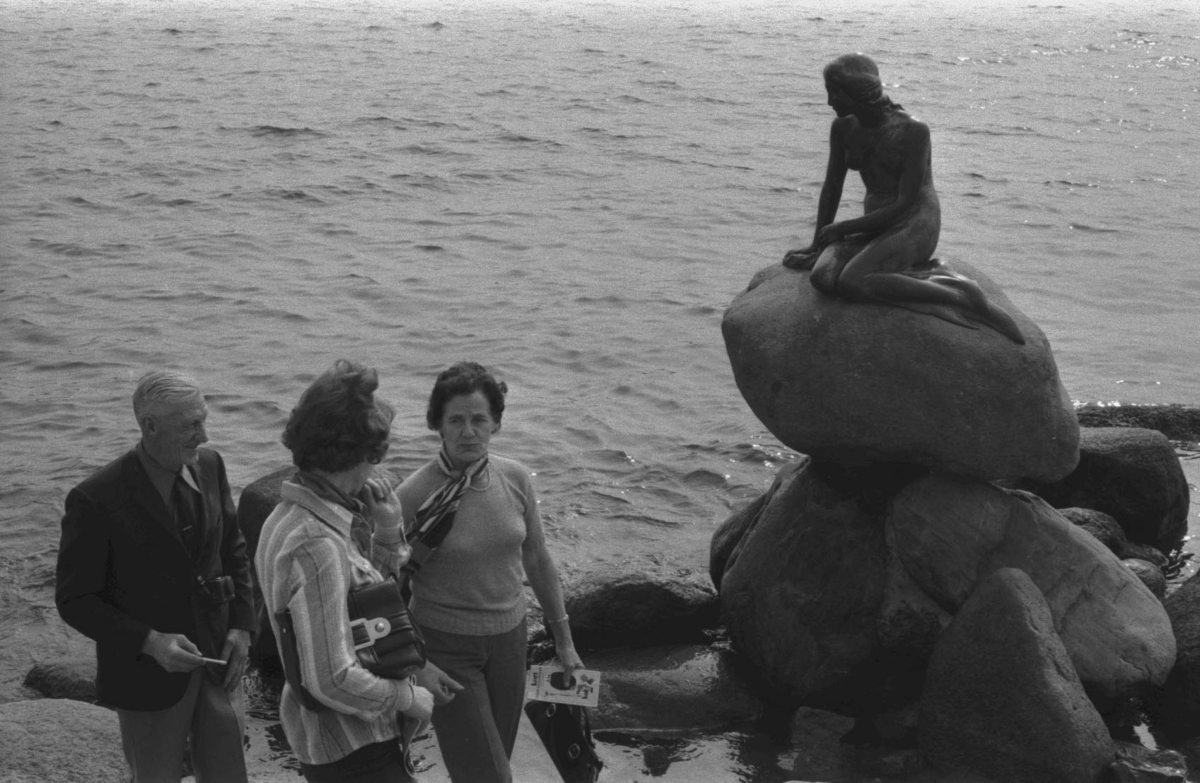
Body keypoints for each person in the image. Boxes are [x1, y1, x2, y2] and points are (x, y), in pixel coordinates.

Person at [56, 370, 255, 783]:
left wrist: (242, 625)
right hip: (147, 676)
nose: (203, 435)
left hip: (220, 656)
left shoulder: (212, 466)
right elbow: (74, 600)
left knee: (230, 776)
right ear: (150, 426)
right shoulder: (95, 498)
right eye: (190, 425)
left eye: (203, 419)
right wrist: (150, 642)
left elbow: (233, 548)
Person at [398, 361, 584, 783]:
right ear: (437, 425)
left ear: (496, 424)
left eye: (479, 419)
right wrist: (411, 663)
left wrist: (565, 641)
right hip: (446, 647)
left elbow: (537, 559)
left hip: (509, 642)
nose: (468, 431)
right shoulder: (411, 496)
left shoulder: (515, 478)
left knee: (491, 764)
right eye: (456, 420)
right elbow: (384, 586)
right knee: (489, 777)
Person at [255, 360, 437, 783]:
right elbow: (332, 679)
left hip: (330, 743)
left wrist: (389, 533)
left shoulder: (288, 516)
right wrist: (408, 697)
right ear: (364, 453)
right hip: (353, 748)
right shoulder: (316, 542)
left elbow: (361, 608)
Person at [783, 53, 1024, 344]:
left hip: (914, 222)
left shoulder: (913, 131)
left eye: (835, 92)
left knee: (852, 281)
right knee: (821, 277)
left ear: (858, 91)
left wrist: (843, 229)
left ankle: (961, 294)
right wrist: (816, 244)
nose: (830, 101)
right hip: (875, 224)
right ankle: (916, 275)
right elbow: (832, 186)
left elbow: (904, 203)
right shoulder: (844, 127)